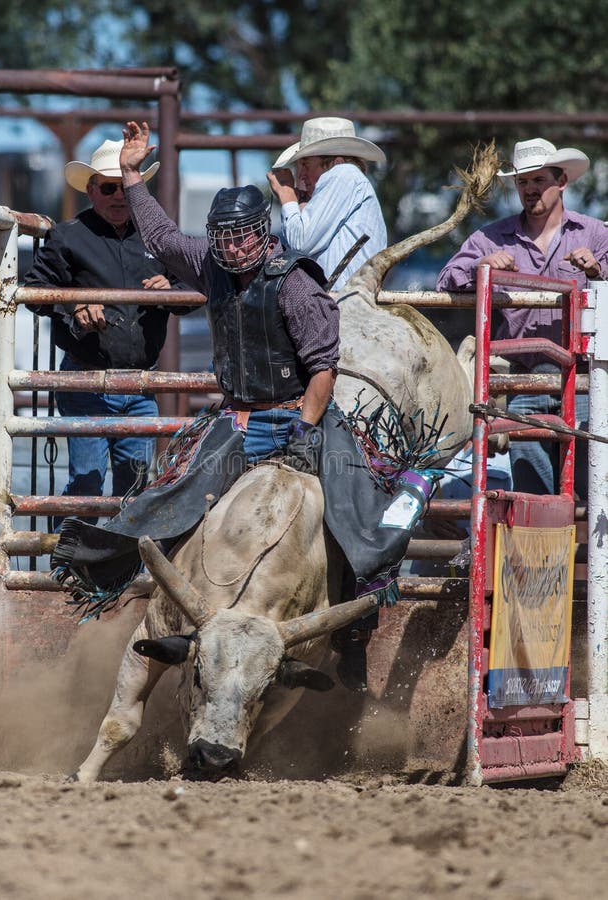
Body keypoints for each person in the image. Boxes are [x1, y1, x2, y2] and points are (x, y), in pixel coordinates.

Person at [50, 121, 441, 692]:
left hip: (299, 412)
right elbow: (159, 237)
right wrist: (132, 175)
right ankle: (103, 567)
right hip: (238, 416)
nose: (233, 246)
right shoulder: (210, 264)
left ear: (263, 233)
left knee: (363, 524)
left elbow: (323, 371)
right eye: (224, 236)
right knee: (167, 496)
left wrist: (305, 429)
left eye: (242, 236)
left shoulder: (296, 284)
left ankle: (355, 637)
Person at [24, 139, 187, 525]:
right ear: (91, 189)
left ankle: (114, 572)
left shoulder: (157, 237)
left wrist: (171, 290)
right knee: (88, 479)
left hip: (139, 382)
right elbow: (34, 292)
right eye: (108, 187)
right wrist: (74, 304)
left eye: (124, 187)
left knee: (133, 486)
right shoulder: (68, 235)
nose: (118, 196)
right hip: (86, 379)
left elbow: (191, 289)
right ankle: (68, 566)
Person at [437, 138, 608, 498]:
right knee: (533, 489)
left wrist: (596, 274)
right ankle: (544, 557)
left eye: (538, 181)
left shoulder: (594, 234)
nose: (529, 191)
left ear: (561, 181)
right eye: (522, 182)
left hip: (582, 381)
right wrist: (481, 266)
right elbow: (447, 278)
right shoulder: (493, 238)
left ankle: (591, 554)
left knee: (593, 483)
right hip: (523, 381)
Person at [266, 117, 388, 290]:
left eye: (306, 165)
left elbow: (300, 243)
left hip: (345, 305)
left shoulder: (343, 173)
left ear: (336, 162)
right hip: (347, 301)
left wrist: (287, 196)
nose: (301, 176)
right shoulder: (349, 181)